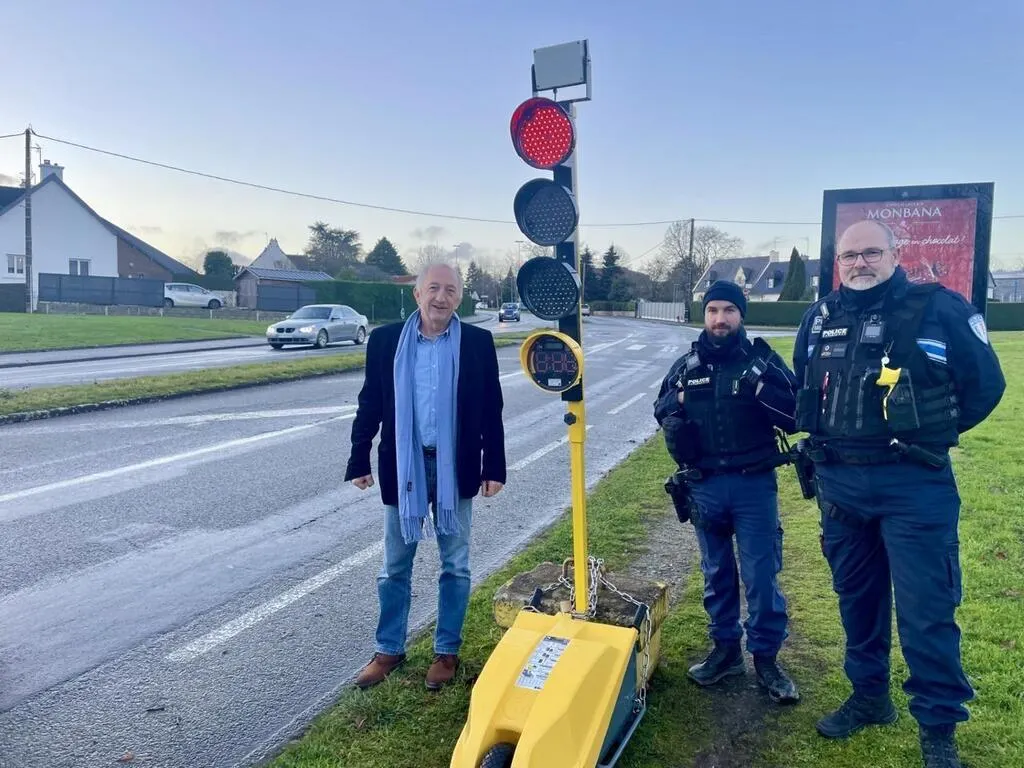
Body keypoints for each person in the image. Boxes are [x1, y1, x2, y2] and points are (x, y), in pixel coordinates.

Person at [793, 220, 1005, 767]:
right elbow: (805, 379)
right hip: (840, 484)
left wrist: (928, 432)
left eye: (870, 252)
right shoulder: (819, 317)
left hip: (914, 483)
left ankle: (938, 730)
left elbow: (985, 386)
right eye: (849, 256)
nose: (859, 263)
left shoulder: (942, 308)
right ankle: (870, 699)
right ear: (837, 262)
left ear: (895, 253)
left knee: (926, 611)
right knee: (857, 602)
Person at [345, 262, 507, 691]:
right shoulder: (385, 341)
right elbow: (371, 403)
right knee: (394, 565)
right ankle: (389, 650)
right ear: (417, 294)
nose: (441, 297)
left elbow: (492, 408)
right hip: (405, 467)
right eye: (433, 288)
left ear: (460, 297)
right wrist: (358, 457)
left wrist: (495, 466)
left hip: (458, 468)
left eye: (450, 290)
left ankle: (446, 652)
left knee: (456, 565)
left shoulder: (477, 342)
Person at [655, 280, 801, 704]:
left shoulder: (762, 362)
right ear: (705, 315)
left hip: (754, 486)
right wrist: (677, 399)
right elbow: (659, 409)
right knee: (716, 575)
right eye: (713, 310)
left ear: (742, 315)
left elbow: (795, 415)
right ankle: (725, 651)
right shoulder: (686, 364)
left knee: (761, 577)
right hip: (704, 488)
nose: (720, 319)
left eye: (729, 311)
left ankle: (768, 660)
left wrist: (761, 391)